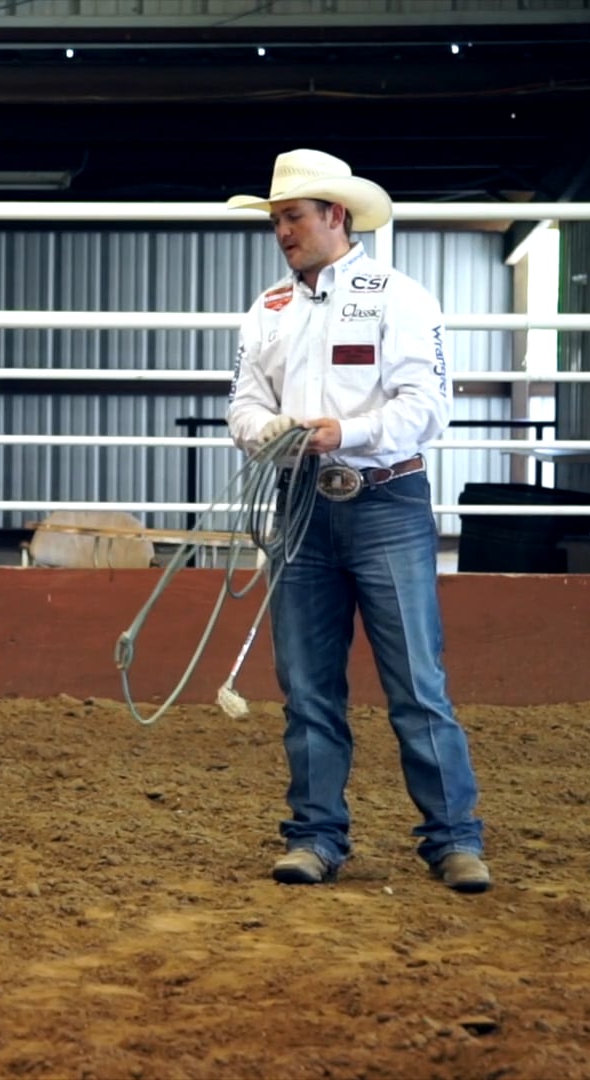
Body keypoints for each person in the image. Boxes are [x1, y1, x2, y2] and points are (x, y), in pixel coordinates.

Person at [223, 148, 490, 894]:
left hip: (385, 499)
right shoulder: (268, 310)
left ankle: (453, 838)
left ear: (335, 216)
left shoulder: (398, 297)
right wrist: (262, 431)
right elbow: (243, 400)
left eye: (293, 217)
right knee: (307, 685)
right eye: (276, 219)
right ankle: (314, 835)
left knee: (415, 680)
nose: (282, 231)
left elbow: (426, 405)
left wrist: (343, 432)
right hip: (302, 501)